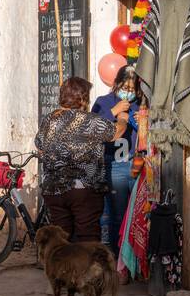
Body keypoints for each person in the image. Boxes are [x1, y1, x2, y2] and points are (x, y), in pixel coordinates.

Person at [35, 76, 128, 245]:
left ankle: (63, 270)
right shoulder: (89, 120)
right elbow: (115, 133)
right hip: (83, 189)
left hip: (53, 190)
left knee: (61, 239)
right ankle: (86, 270)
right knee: (88, 238)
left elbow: (40, 146)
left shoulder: (49, 120)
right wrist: (123, 119)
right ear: (83, 98)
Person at [91, 66, 149, 255]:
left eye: (132, 90)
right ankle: (118, 258)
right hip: (115, 165)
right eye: (124, 87)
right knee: (119, 214)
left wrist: (141, 122)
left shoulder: (139, 104)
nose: (127, 92)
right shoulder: (104, 102)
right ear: (116, 84)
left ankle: (134, 258)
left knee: (137, 214)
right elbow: (93, 129)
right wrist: (114, 111)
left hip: (137, 164)